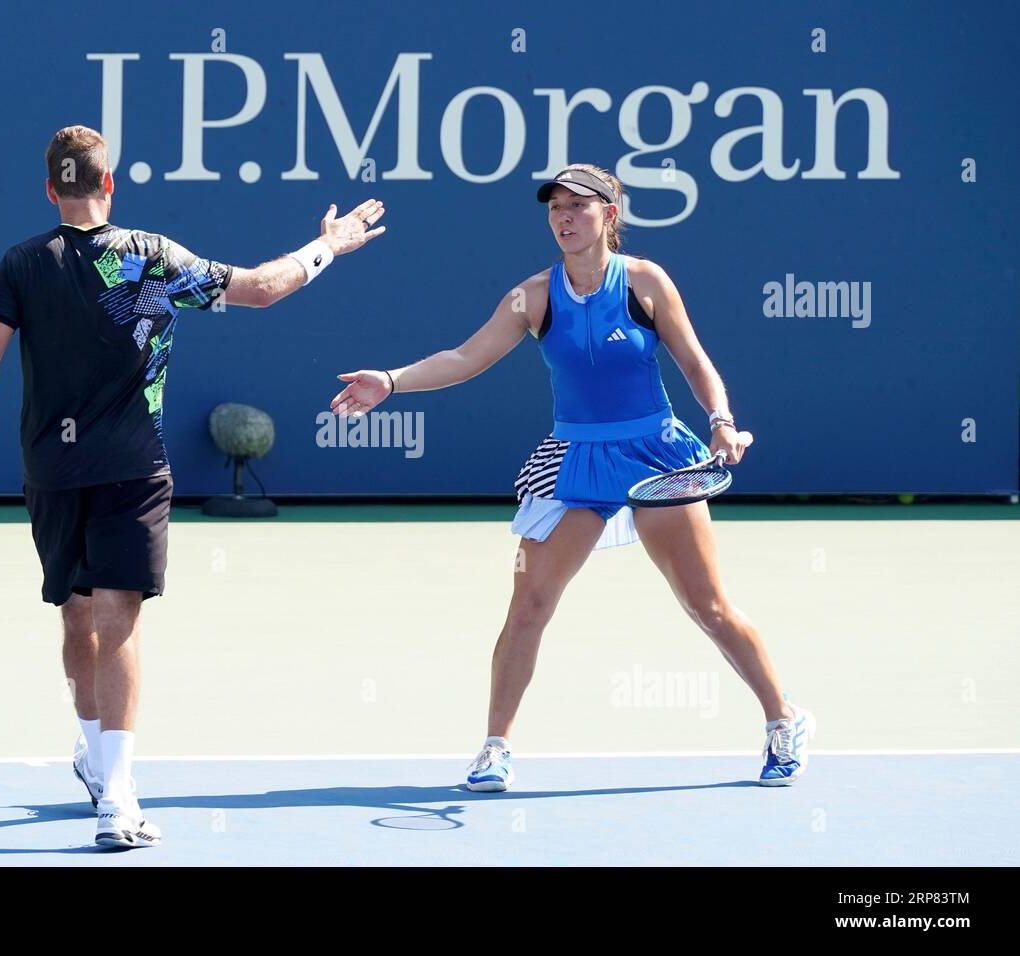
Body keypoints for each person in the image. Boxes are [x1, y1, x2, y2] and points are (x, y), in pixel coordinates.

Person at [0, 125, 386, 848]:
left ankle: (112, 782)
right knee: (113, 621)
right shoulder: (152, 256)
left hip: (52, 471)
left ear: (51, 189)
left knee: (85, 618)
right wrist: (333, 243)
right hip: (131, 467)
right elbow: (264, 289)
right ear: (109, 185)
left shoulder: (20, 263)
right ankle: (109, 779)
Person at [329, 164, 813, 792]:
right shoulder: (531, 296)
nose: (563, 217)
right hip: (576, 459)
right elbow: (466, 357)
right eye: (555, 206)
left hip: (655, 453)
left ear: (610, 215)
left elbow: (695, 362)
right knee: (529, 604)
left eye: (579, 206)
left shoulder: (646, 282)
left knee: (707, 605)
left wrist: (721, 419)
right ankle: (495, 747)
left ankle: (784, 718)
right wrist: (392, 381)